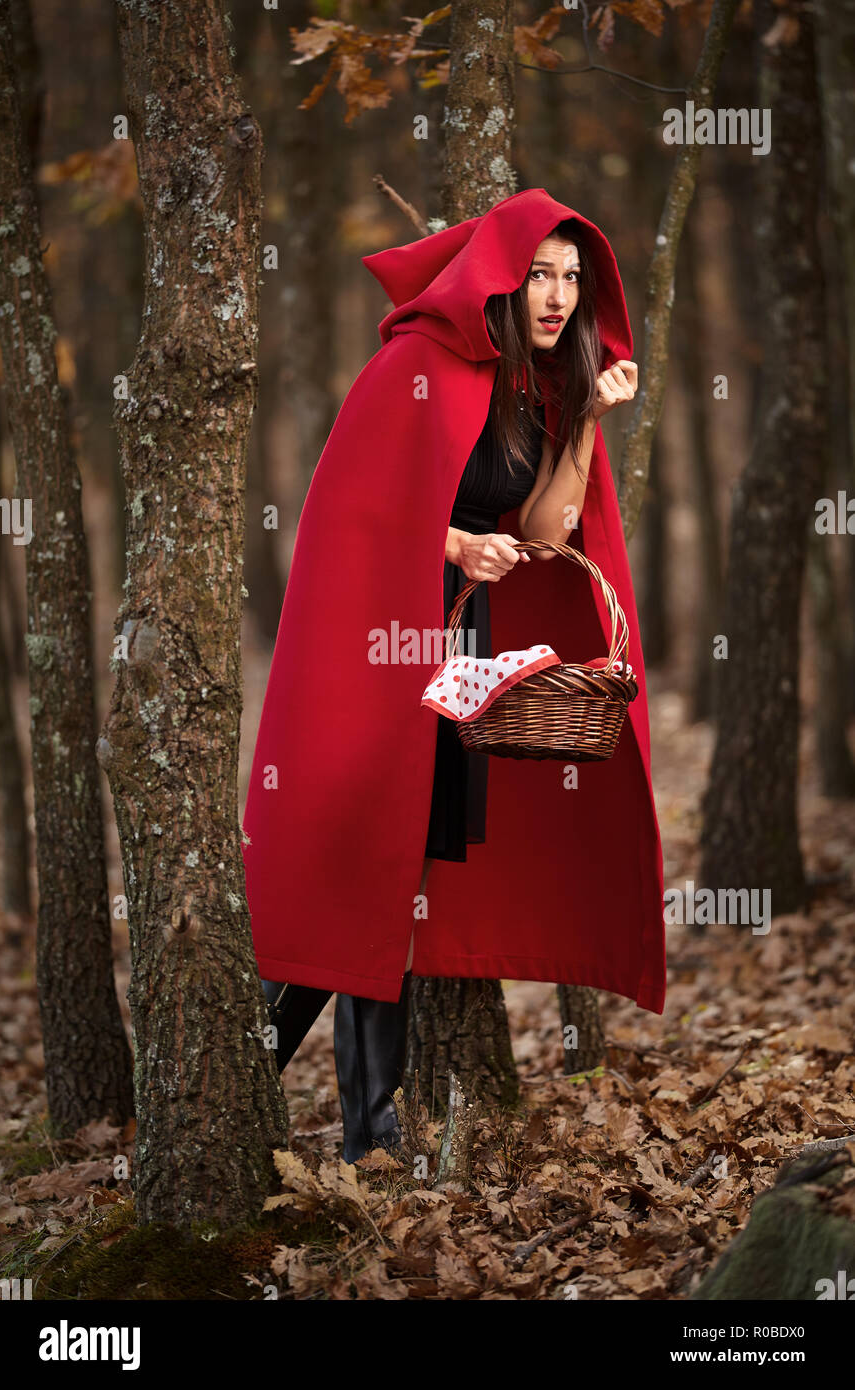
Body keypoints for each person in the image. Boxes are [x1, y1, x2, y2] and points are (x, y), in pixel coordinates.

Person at [243, 189, 667, 1164]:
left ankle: (358, 1128)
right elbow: (357, 509)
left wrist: (590, 420)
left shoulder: (529, 391)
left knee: (394, 882)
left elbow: (542, 532)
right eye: (540, 274)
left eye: (572, 278)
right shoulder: (418, 364)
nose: (558, 295)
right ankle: (280, 1098)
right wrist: (451, 545)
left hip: (454, 655)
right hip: (380, 644)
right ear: (501, 277)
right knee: (362, 868)